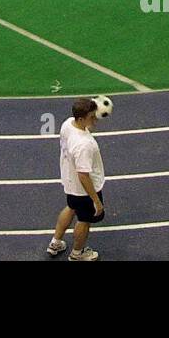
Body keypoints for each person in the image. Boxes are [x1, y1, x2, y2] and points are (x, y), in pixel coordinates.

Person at [46, 97, 106, 261]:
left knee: (71, 207)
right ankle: (77, 253)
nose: (95, 119)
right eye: (91, 117)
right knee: (85, 220)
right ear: (81, 118)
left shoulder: (68, 124)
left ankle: (55, 242)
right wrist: (96, 201)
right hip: (83, 189)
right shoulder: (84, 145)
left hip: (69, 180)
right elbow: (83, 175)